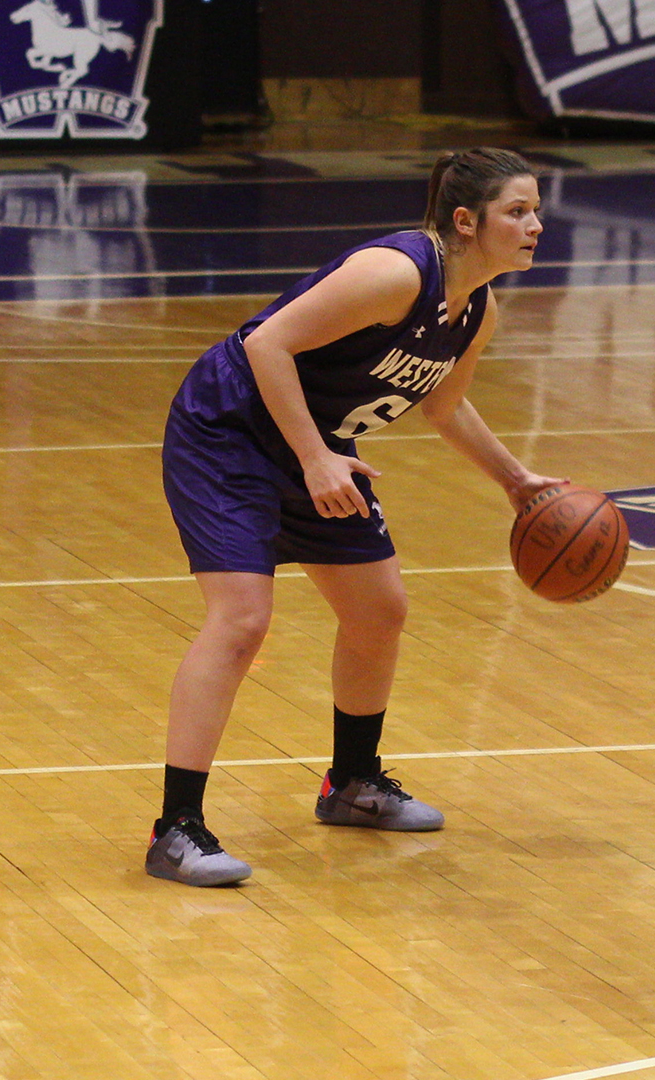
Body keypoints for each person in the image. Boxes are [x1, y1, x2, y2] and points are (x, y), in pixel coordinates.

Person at [147, 148, 561, 887]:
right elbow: (265, 342)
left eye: (536, 210)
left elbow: (444, 404)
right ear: (466, 221)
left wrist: (516, 480)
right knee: (241, 620)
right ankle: (176, 828)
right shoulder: (395, 273)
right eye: (518, 212)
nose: (536, 225)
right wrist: (314, 458)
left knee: (379, 611)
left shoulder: (478, 307)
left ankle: (351, 784)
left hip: (318, 443)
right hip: (230, 428)